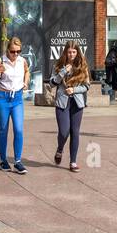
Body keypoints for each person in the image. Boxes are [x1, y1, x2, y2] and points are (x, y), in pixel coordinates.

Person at [0, 37, 30, 173]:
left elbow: (27, 71)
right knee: (3, 130)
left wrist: (25, 82)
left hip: (17, 99)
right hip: (2, 98)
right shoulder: (0, 60)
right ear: (7, 50)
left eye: (18, 51)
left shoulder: (22, 61)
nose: (15, 54)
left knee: (19, 129)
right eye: (13, 51)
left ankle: (17, 162)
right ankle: (3, 161)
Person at [50, 41, 89, 172]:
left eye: (74, 52)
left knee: (75, 132)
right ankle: (60, 149)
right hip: (62, 102)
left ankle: (73, 161)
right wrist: (62, 72)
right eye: (69, 52)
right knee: (63, 131)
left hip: (77, 103)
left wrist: (74, 90)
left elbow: (87, 86)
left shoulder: (82, 66)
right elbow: (52, 83)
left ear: (77, 53)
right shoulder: (58, 65)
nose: (71, 54)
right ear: (65, 53)